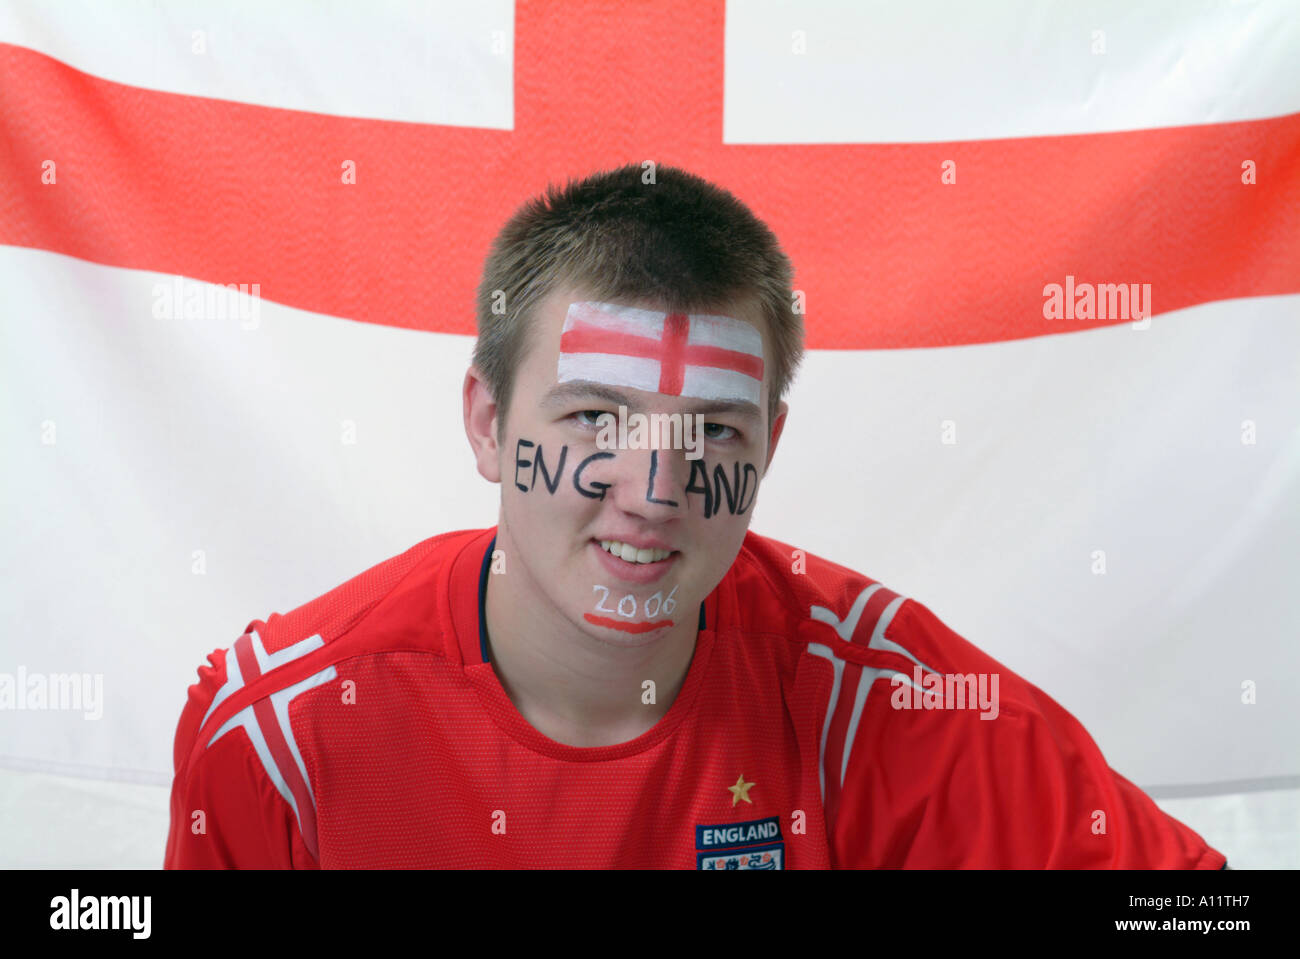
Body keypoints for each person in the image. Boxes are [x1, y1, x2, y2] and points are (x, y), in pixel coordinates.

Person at [164, 163, 1226, 869]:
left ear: (769, 445)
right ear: (488, 423)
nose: (655, 488)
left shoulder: (883, 699)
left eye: (713, 429)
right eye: (595, 416)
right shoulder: (280, 733)